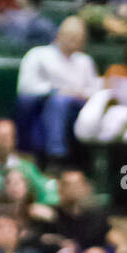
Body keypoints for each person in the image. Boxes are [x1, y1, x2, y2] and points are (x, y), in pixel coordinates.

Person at [15, 17, 100, 164]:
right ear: (59, 35)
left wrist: (81, 94)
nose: (75, 40)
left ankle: (92, 159)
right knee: (59, 101)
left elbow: (93, 89)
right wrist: (56, 91)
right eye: (71, 36)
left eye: (79, 37)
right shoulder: (38, 54)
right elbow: (26, 86)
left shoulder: (85, 61)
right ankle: (56, 156)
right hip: (44, 104)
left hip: (79, 105)